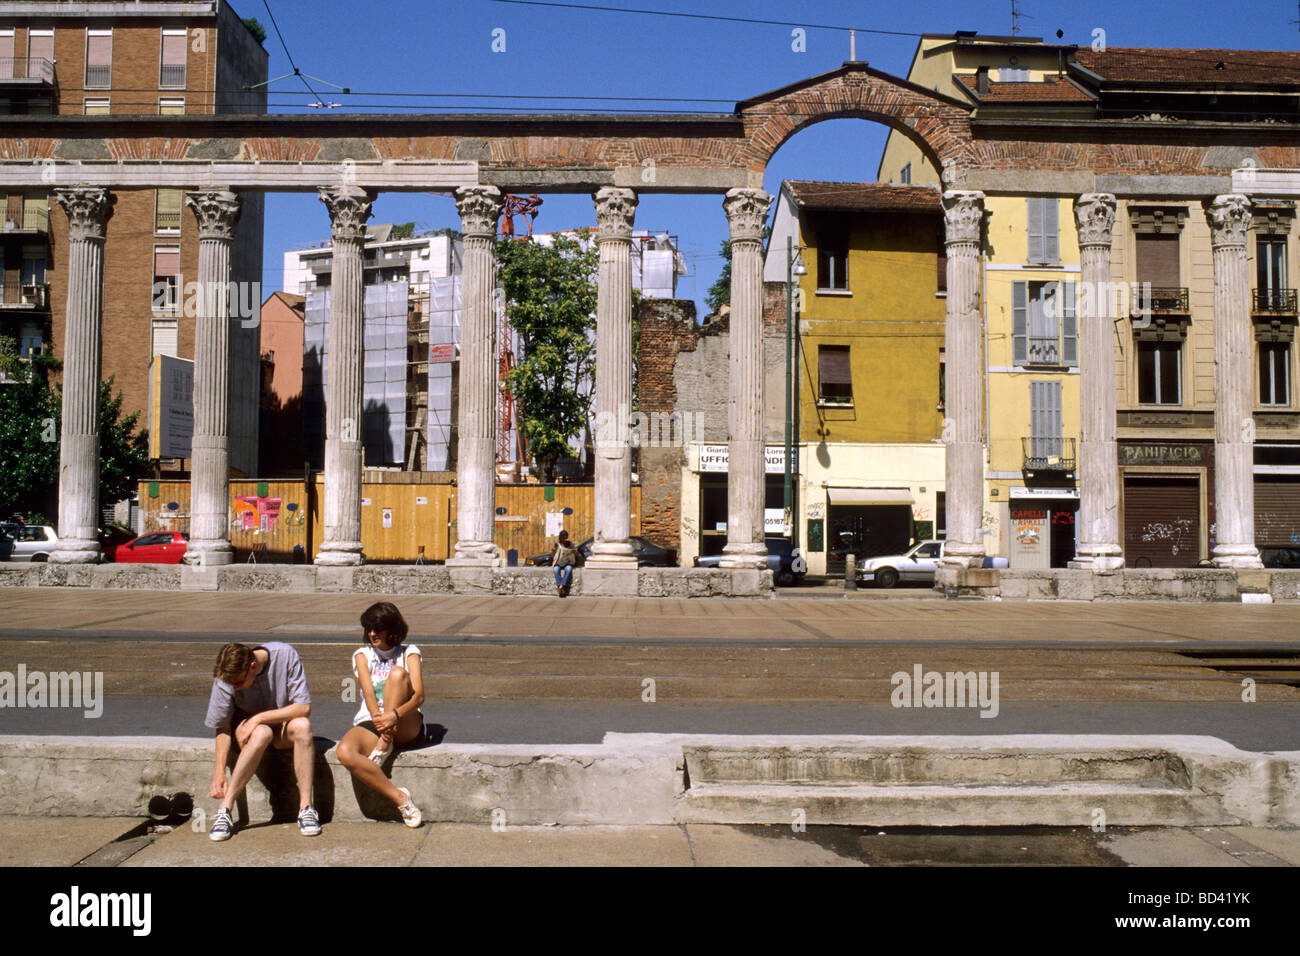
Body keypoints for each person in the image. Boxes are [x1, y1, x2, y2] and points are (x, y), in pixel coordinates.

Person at [204, 642, 319, 842]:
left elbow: (303, 707)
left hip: (279, 725)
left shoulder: (285, 655)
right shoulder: (226, 677)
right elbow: (222, 727)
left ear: (253, 666)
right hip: (249, 734)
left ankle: (306, 808)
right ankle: (225, 809)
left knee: (302, 727)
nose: (235, 687)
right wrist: (219, 772)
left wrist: (258, 718)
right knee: (262, 733)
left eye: (238, 684)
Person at [334, 602, 424, 827]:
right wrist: (382, 722)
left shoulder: (408, 652)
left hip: (406, 721)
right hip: (375, 720)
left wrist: (394, 716)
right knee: (344, 752)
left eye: (378, 628)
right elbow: (368, 694)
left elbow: (419, 697)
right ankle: (400, 799)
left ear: (391, 628)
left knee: (397, 674)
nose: (372, 634)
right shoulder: (362, 655)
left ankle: (386, 743)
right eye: (369, 629)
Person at [550, 529, 577, 597]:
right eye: (563, 538)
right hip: (559, 562)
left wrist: (574, 552)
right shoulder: (557, 544)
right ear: (560, 538)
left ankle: (562, 585)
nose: (564, 540)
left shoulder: (570, 544)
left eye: (565, 538)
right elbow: (552, 555)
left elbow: (576, 553)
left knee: (568, 569)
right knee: (556, 569)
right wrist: (554, 550)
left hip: (567, 563)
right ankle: (560, 586)